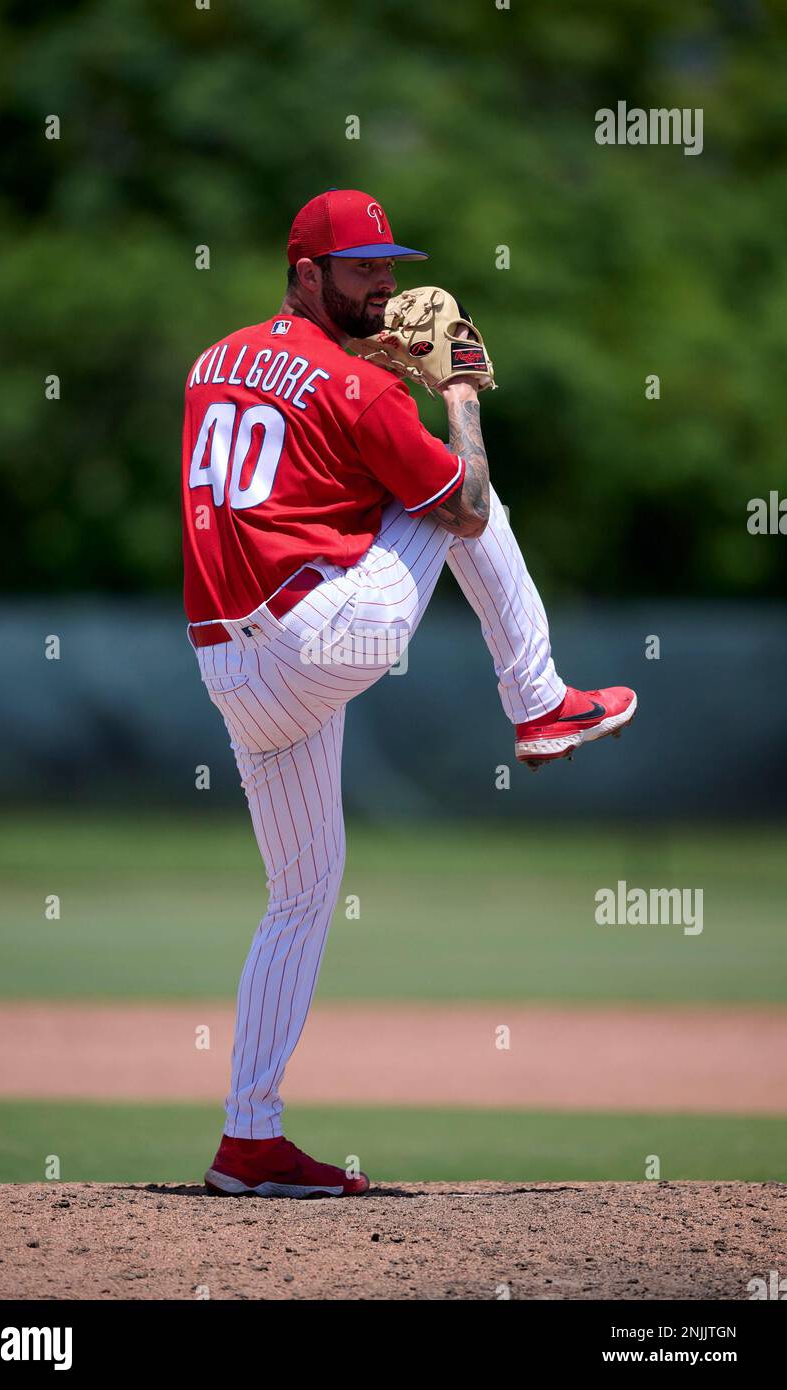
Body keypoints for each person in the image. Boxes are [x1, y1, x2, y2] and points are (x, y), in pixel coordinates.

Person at [181, 188, 636, 1198]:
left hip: (228, 669)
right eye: (359, 268)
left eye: (387, 264)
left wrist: (366, 372)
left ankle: (248, 1139)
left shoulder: (210, 363)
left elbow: (300, 441)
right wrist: (461, 394)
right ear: (304, 273)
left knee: (299, 894)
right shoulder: (363, 391)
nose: (382, 283)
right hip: (316, 641)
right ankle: (536, 699)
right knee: (465, 502)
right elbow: (457, 502)